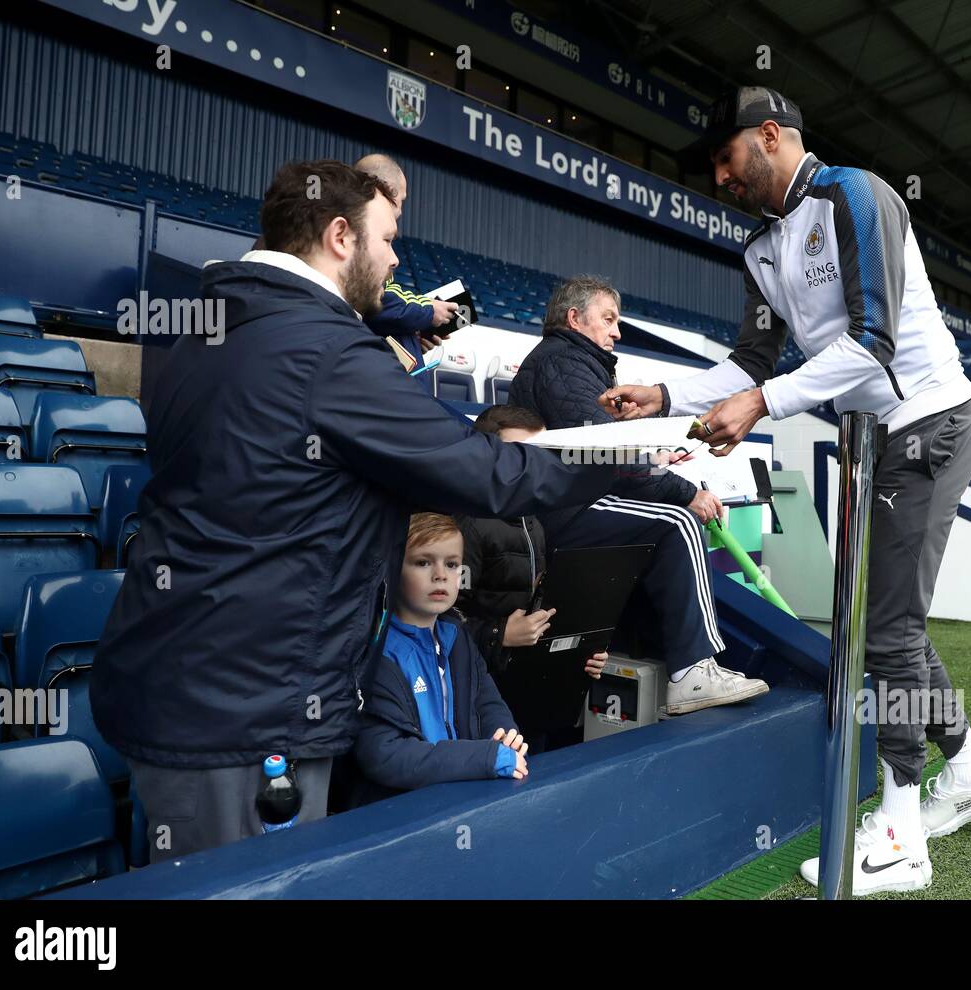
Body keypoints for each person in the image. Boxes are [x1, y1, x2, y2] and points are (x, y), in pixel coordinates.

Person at [91, 159, 618, 863]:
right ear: (342, 236)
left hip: (185, 688)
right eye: (388, 237)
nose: (395, 258)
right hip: (244, 714)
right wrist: (611, 452)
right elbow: (483, 473)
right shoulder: (330, 351)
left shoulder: (205, 333)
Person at [600, 87, 971, 895]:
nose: (720, 177)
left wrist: (761, 404)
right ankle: (967, 771)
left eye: (727, 159)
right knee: (895, 627)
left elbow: (872, 341)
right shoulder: (759, 251)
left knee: (887, 632)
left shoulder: (856, 195)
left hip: (930, 421)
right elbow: (752, 361)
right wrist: (666, 395)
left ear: (769, 135)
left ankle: (900, 832)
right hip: (878, 439)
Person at [513, 275, 769, 715]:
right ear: (574, 318)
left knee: (667, 521)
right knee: (679, 521)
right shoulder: (560, 360)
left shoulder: (575, 364)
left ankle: (679, 664)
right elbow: (606, 454)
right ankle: (692, 670)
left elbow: (607, 448)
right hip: (561, 511)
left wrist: (655, 454)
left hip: (566, 505)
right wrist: (685, 493)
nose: (617, 331)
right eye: (608, 319)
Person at [349, 513, 534, 802]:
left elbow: (486, 701)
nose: (440, 575)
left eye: (451, 564)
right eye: (423, 562)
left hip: (460, 797)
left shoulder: (457, 636)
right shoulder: (377, 651)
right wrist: (483, 758)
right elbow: (384, 754)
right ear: (393, 568)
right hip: (398, 814)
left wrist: (504, 736)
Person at [456, 405, 608, 748]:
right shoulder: (465, 524)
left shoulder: (534, 522)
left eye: (540, 455)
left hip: (526, 691)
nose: (532, 467)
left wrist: (579, 650)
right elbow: (440, 620)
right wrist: (499, 634)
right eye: (519, 455)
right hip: (478, 701)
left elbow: (537, 611)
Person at [353, 153, 459, 388]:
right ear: (387, 191)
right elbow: (383, 304)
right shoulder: (358, 243)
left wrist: (411, 336)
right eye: (402, 198)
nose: (395, 260)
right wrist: (429, 312)